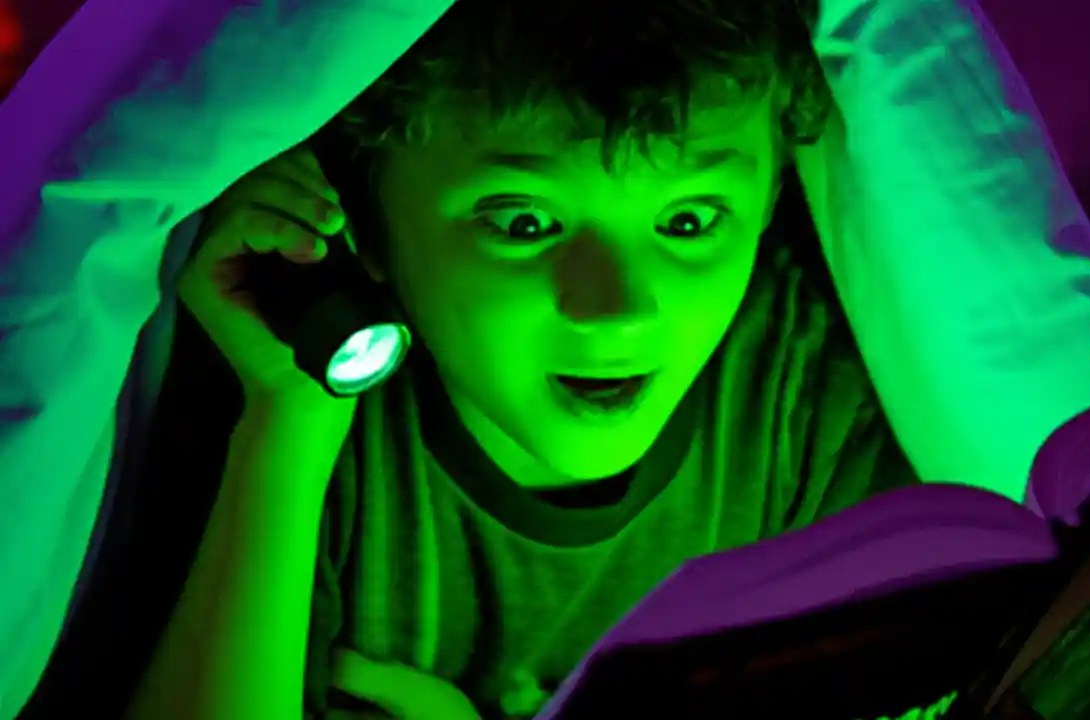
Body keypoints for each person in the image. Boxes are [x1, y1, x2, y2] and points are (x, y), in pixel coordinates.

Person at [124, 0, 918, 718]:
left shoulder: (801, 393)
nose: (615, 310)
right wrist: (288, 426)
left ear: (770, 203)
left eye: (689, 222)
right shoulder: (301, 417)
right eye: (524, 223)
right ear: (365, 215)